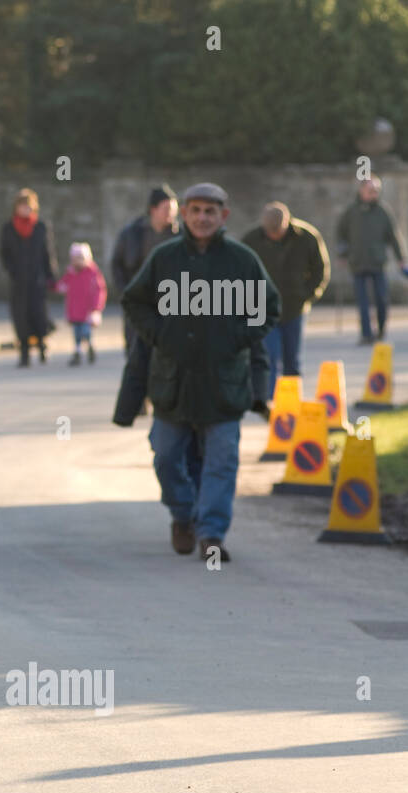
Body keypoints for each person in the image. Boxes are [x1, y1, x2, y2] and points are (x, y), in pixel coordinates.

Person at [122, 182, 279, 563]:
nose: (203, 218)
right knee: (166, 456)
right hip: (173, 383)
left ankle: (211, 533)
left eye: (211, 211)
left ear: (223, 216)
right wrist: (159, 332)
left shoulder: (241, 261)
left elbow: (268, 306)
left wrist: (237, 336)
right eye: (195, 211)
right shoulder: (164, 258)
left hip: (223, 383)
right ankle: (182, 515)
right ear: (185, 214)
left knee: (222, 460)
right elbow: (134, 300)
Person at [241, 202, 330, 395]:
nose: (274, 234)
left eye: (277, 230)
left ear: (287, 222)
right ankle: (272, 403)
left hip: (294, 308)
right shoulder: (251, 240)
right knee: (269, 357)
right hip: (263, 309)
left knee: (292, 360)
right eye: (270, 231)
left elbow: (320, 270)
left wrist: (307, 296)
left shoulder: (307, 237)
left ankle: (292, 403)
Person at [336, 176, 405, 344]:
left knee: (382, 298)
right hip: (357, 261)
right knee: (362, 301)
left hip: (378, 262)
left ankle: (381, 329)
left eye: (376, 191)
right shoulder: (351, 211)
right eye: (371, 190)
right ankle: (366, 334)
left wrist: (400, 257)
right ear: (361, 191)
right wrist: (342, 254)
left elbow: (393, 235)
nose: (374, 194)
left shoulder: (383, 211)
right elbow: (341, 233)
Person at [110, 185, 179, 353]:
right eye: (167, 208)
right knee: (136, 351)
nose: (171, 213)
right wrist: (125, 292)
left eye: (173, 209)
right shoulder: (131, 233)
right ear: (153, 209)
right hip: (139, 300)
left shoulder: (180, 235)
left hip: (170, 302)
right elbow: (117, 264)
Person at [0, 188, 57, 366]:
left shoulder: (40, 227)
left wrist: (51, 275)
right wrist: (12, 270)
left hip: (37, 279)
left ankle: (42, 346)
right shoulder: (8, 228)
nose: (25, 210)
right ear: (16, 208)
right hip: (18, 280)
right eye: (22, 206)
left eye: (28, 206)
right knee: (21, 317)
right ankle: (24, 352)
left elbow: (48, 253)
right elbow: (4, 253)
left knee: (39, 315)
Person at [54, 242, 106, 366]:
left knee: (85, 331)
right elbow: (62, 285)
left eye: (81, 259)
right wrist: (57, 286)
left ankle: (90, 346)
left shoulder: (92, 274)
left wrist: (96, 308)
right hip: (74, 310)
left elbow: (100, 290)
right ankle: (78, 351)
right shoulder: (71, 274)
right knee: (77, 332)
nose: (78, 262)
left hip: (87, 311)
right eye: (75, 259)